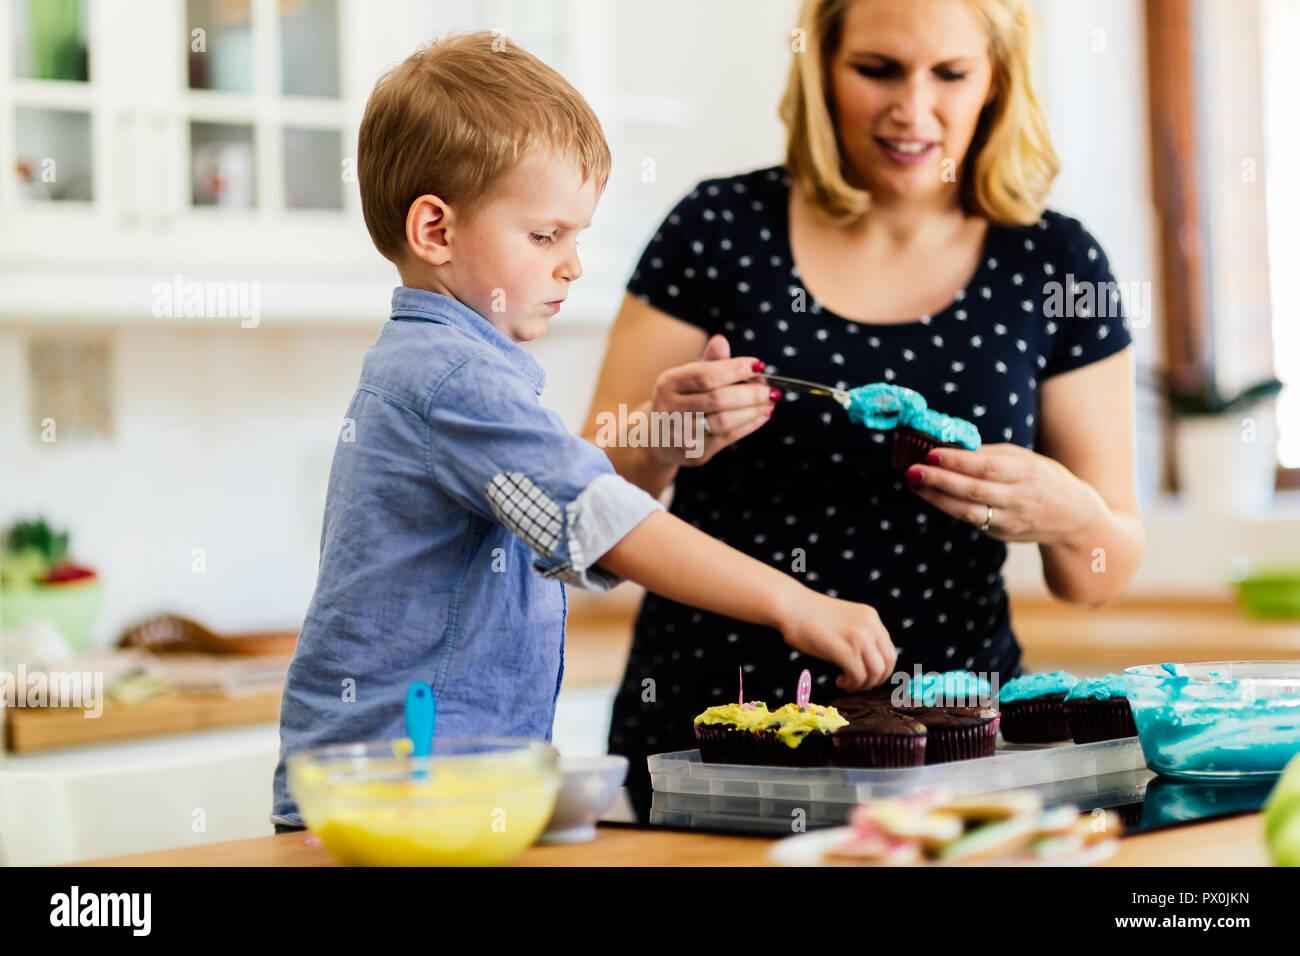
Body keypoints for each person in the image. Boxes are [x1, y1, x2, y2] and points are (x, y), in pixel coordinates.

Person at [269, 31, 896, 831]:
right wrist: (794, 602)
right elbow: (597, 522)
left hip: (433, 796)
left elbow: (565, 507)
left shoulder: (445, 365)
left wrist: (663, 443)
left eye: (577, 237)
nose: (572, 265)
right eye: (545, 236)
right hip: (402, 800)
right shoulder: (453, 377)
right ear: (435, 231)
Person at [582, 0, 1145, 809]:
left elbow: (1098, 573)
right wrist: (667, 436)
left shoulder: (1058, 260)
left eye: (950, 74)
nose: (912, 110)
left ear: (997, 79)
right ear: (821, 69)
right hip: (709, 738)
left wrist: (1070, 514)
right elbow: (585, 501)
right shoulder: (716, 228)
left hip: (958, 748)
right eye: (876, 69)